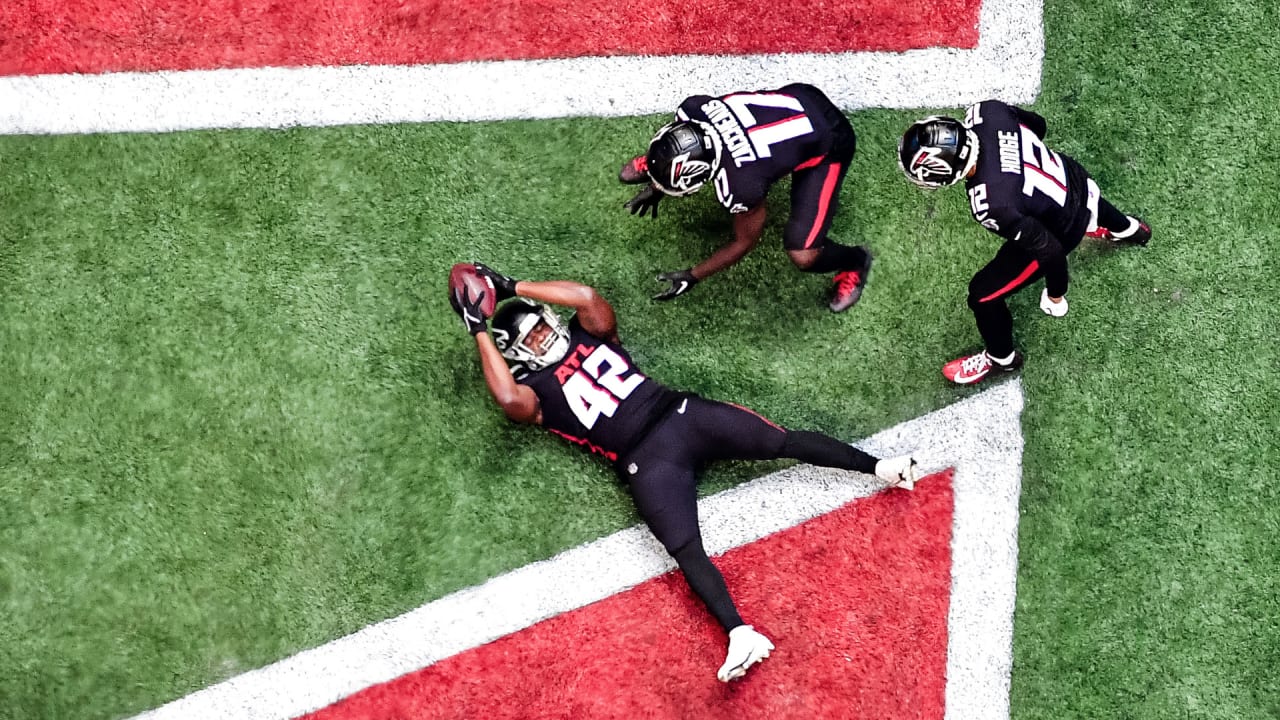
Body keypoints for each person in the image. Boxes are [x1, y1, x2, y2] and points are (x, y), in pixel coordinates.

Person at [451, 262, 920, 682]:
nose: (545, 337)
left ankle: (882, 467)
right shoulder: (532, 390)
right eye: (533, 339)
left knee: (782, 441)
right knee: (686, 549)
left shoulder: (588, 332)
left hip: (681, 414)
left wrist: (512, 284)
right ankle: (740, 633)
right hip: (645, 460)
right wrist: (478, 330)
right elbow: (508, 398)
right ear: (517, 355)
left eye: (542, 326)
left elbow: (586, 297)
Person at [897, 100, 1152, 385]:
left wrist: (1056, 294)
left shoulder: (990, 203)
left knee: (982, 295)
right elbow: (1039, 125)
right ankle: (1132, 229)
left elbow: (1050, 250)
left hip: (1062, 226)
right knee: (1085, 201)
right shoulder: (988, 111)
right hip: (1074, 178)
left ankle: (1002, 359)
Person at [619, 83, 873, 312]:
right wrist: (659, 184)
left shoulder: (741, 186)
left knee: (803, 253)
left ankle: (856, 260)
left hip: (830, 140)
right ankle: (663, 167)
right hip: (801, 95)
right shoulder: (694, 108)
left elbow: (744, 242)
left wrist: (693, 275)